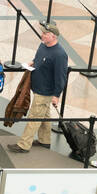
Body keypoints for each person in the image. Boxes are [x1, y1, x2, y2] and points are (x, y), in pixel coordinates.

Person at [11, 23, 69, 153]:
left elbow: (61, 77)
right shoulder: (43, 45)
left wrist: (56, 95)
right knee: (45, 115)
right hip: (37, 88)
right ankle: (45, 140)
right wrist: (31, 63)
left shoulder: (60, 54)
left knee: (34, 118)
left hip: (45, 92)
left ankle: (24, 145)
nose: (42, 35)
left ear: (53, 36)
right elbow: (37, 59)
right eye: (42, 32)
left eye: (45, 33)